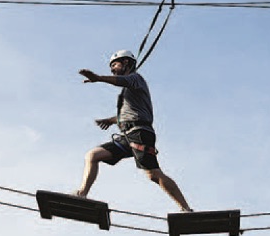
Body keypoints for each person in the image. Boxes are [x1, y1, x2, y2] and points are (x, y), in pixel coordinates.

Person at [76, 50, 193, 212]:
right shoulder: (130, 89)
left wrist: (98, 78)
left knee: (153, 174)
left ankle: (186, 209)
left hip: (140, 134)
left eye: (115, 64)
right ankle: (81, 194)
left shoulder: (135, 79)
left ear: (126, 63)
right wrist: (111, 120)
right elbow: (131, 114)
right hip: (128, 135)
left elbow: (120, 81)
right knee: (93, 155)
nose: (112, 69)